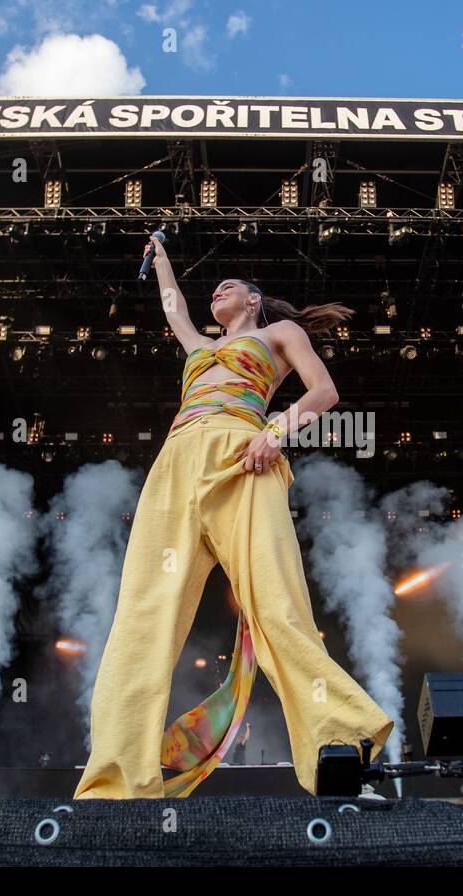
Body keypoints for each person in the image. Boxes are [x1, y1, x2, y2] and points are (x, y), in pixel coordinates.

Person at [73, 233, 395, 799]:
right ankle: (116, 781)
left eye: (230, 286)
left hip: (243, 454)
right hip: (176, 459)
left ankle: (339, 747)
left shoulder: (279, 333)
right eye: (213, 287)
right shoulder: (198, 343)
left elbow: (324, 392)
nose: (216, 290)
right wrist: (162, 257)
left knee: (277, 603)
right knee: (141, 617)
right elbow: (172, 305)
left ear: (254, 300)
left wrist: (275, 430)